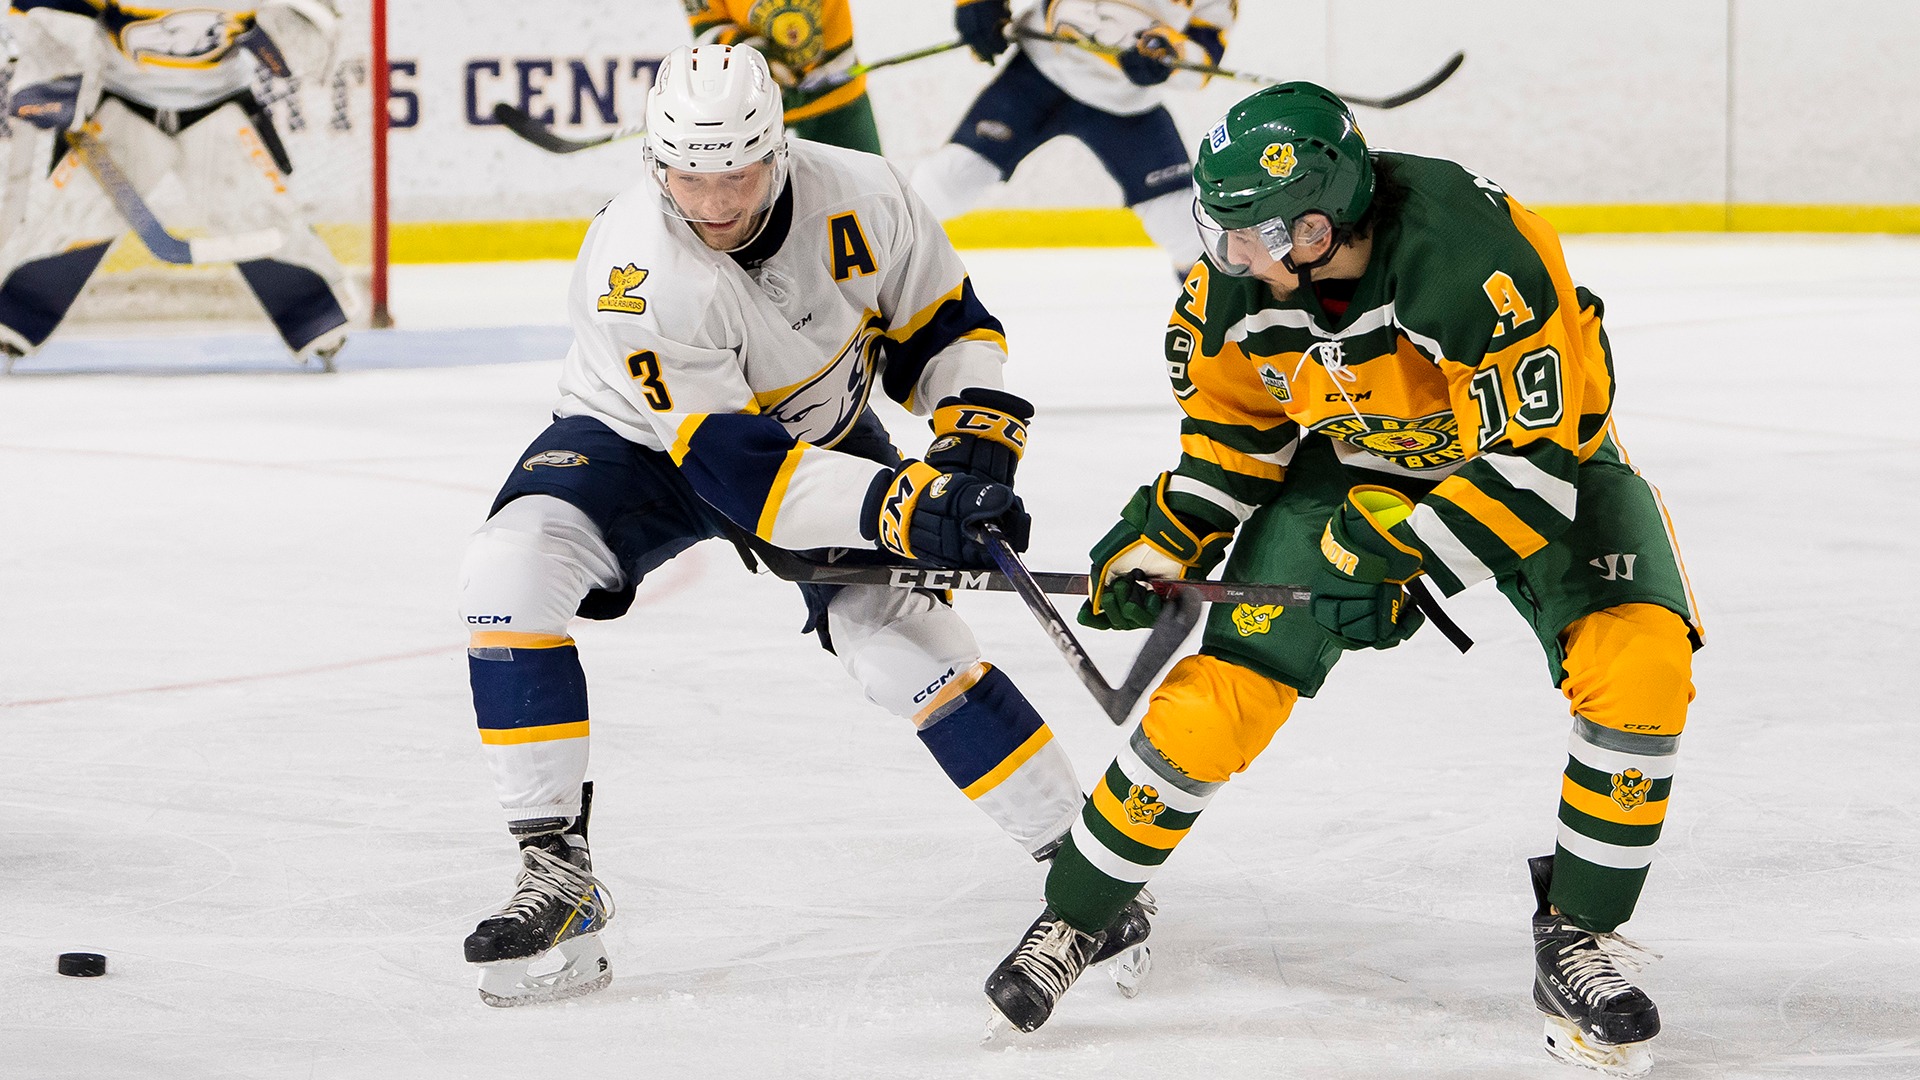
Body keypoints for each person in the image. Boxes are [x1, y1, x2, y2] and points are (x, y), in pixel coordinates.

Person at [978, 83, 1703, 1078]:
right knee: (1215, 700)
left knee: (1642, 663)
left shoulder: (1470, 251)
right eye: (1219, 230)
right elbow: (1235, 441)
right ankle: (1083, 917)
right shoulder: (1233, 291)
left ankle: (1577, 936)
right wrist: (1166, 542)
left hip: (1540, 461)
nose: (1228, 256)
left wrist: (1403, 562)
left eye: (1250, 235)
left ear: (1316, 228)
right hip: (1350, 468)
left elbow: (1532, 472)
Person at [457, 42, 1148, 1007]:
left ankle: (1091, 880)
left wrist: (974, 443)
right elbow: (734, 467)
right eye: (686, 177)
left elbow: (946, 325)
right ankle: (556, 870)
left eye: (734, 175)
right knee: (510, 569)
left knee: (897, 638)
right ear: (655, 165)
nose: (711, 203)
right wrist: (901, 508)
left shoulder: (865, 194)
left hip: (814, 427)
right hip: (644, 446)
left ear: (777, 151)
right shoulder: (637, 268)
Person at [0, 0, 355, 364]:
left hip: (217, 104)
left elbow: (309, 36)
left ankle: (315, 317)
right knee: (73, 214)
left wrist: (291, 33)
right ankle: (12, 316)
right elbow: (49, 10)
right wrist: (56, 72)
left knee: (256, 211)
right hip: (123, 103)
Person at [912, 0, 1238, 277]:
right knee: (948, 179)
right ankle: (877, 254)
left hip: (1127, 101)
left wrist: (1172, 55)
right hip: (1040, 69)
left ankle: (1224, 332)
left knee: (1185, 227)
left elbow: (1206, 53)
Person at [683, 0, 882, 154]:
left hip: (840, 105)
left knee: (872, 194)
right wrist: (759, 62)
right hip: (757, 118)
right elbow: (708, 28)